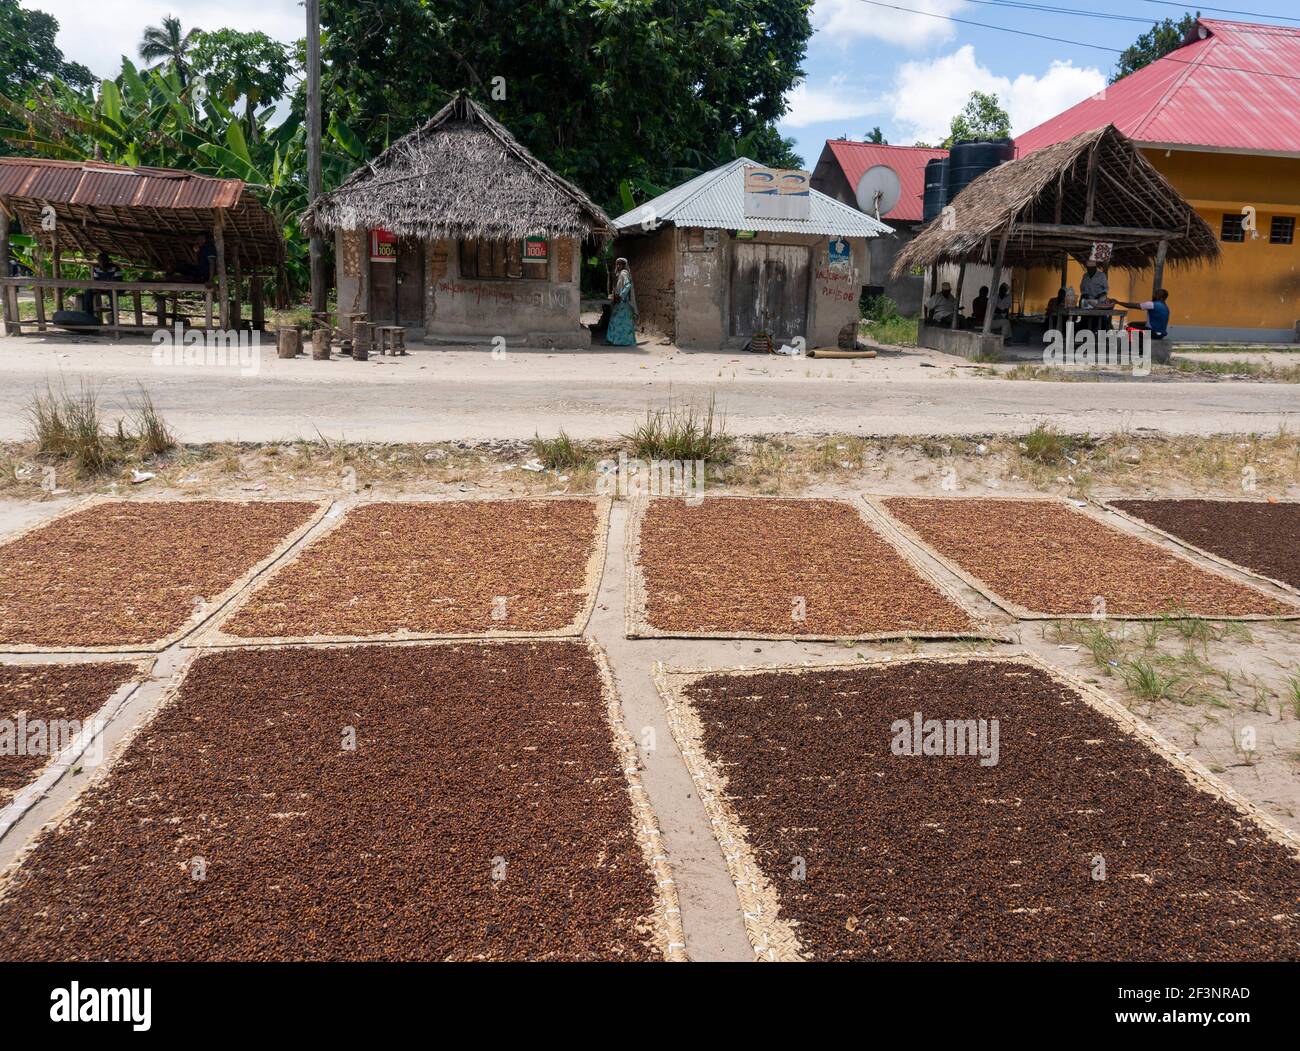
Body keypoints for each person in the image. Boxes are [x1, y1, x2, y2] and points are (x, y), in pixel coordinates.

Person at [606, 257, 638, 346]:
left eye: (621, 264)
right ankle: (619, 341)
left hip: (623, 302)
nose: (619, 265)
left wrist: (621, 296)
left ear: (624, 265)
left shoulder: (624, 273)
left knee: (618, 321)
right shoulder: (619, 274)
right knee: (619, 321)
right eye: (618, 264)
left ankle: (619, 341)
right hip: (620, 302)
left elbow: (628, 285)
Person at [80, 251, 121, 315]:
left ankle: (114, 315)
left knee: (112, 293)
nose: (102, 263)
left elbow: (117, 281)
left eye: (104, 261)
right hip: (101, 287)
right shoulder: (96, 268)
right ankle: (89, 315)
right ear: (98, 261)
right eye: (100, 261)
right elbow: (96, 281)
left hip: (115, 287)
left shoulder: (115, 268)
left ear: (108, 261)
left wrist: (106, 287)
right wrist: (99, 288)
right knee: (88, 292)